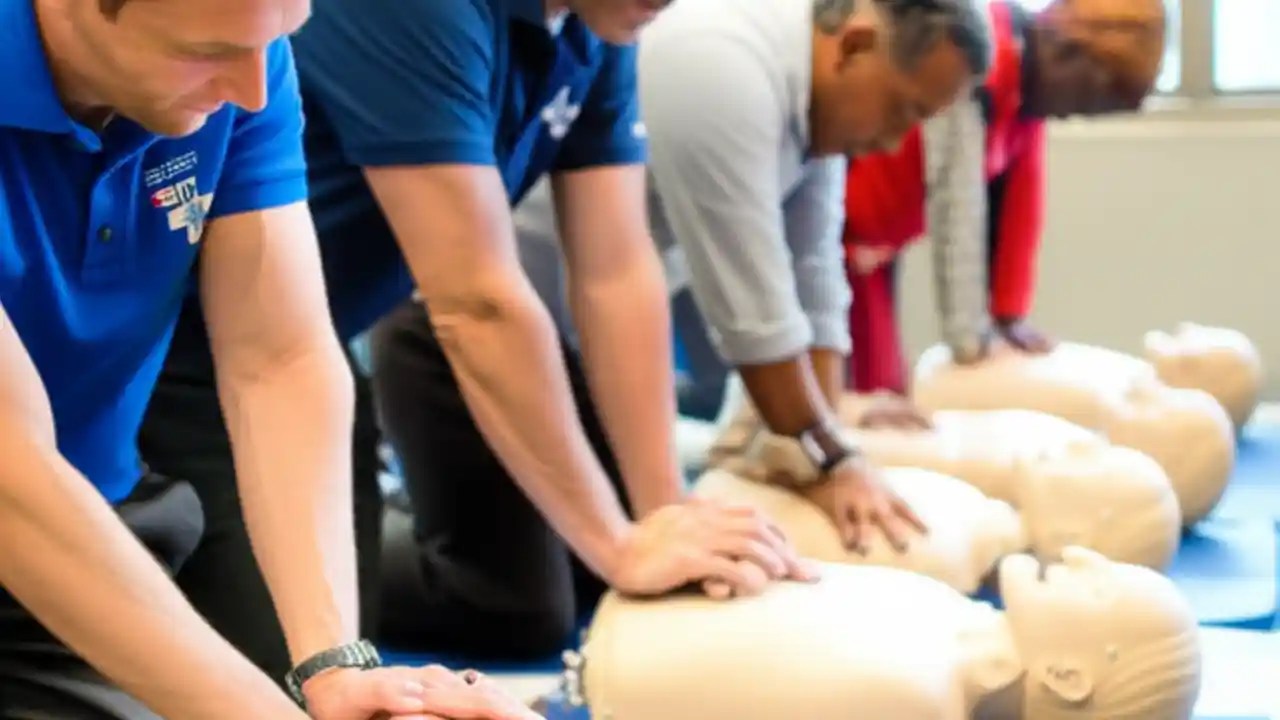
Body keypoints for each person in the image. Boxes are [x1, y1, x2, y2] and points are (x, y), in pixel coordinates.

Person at [138, 0, 814, 669]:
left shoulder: (595, 24)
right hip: (175, 358)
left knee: (349, 660)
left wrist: (664, 511)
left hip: (306, 351)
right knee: (291, 680)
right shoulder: (422, 12)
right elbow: (475, 300)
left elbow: (615, 271)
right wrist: (617, 544)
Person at [0, 0, 537, 718]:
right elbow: (13, 476)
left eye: (276, 41)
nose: (254, 91)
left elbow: (279, 356)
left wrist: (332, 666)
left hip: (104, 522)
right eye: (208, 50)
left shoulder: (243, 52)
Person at [637, 0, 992, 551]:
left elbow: (814, 275)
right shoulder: (721, 62)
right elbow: (756, 317)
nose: (896, 143)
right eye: (901, 111)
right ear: (854, 45)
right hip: (516, 313)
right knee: (544, 597)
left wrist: (825, 437)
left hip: (590, 325)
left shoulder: (817, 102)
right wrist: (833, 457)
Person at [841, 0, 1168, 418]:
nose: (1077, 116)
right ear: (1067, 53)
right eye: (1089, 100)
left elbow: (1021, 202)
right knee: (853, 401)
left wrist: (1009, 312)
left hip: (873, 252)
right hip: (839, 232)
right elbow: (955, 206)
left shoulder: (1028, 100)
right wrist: (968, 340)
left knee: (884, 397)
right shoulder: (976, 62)